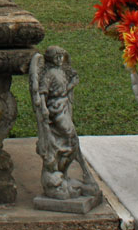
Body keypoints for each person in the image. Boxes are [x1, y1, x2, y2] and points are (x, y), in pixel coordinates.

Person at [30, 47, 99, 201]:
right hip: (56, 108)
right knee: (70, 135)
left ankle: (64, 173)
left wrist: (72, 84)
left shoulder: (61, 71)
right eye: (57, 57)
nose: (60, 60)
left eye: (61, 57)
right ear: (50, 58)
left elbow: (68, 84)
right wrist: (44, 109)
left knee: (69, 141)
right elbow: (42, 93)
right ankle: (62, 172)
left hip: (64, 105)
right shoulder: (48, 74)